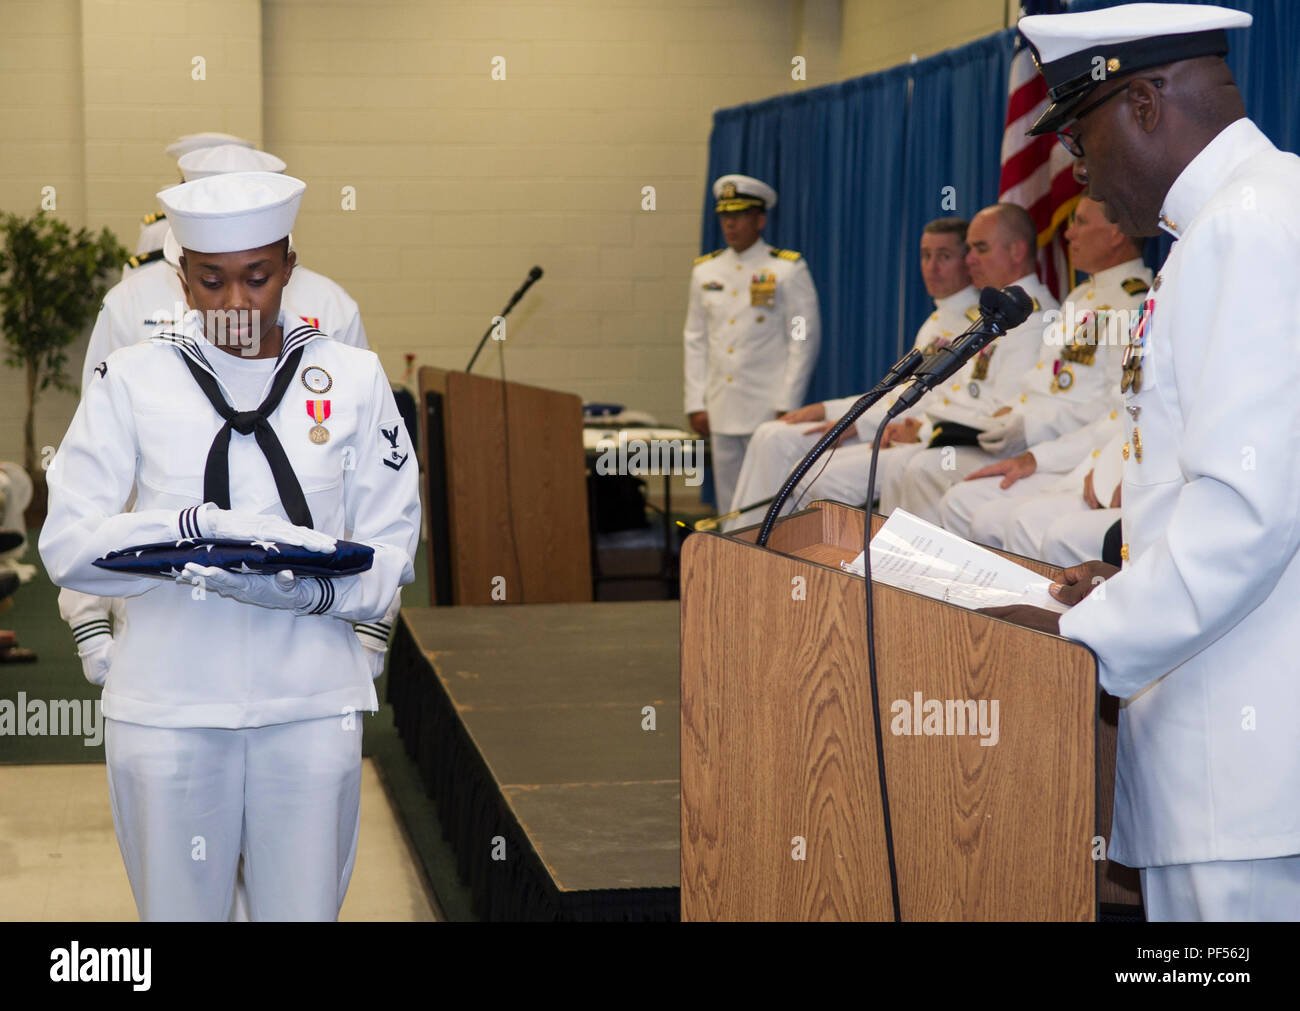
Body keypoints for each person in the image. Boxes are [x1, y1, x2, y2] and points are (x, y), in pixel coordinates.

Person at [983, 2, 1300, 921]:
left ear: (1148, 105)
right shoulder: (1255, 212)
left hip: (1238, 767)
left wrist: (1078, 636)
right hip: (1239, 748)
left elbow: (1249, 514)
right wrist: (1126, 572)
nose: (1081, 176)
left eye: (1082, 144)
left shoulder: (1245, 230)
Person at [39, 170, 421, 921]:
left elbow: (392, 547)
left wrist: (310, 586)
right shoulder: (133, 378)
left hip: (311, 701)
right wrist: (185, 534)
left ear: (288, 268)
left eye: (257, 278)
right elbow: (68, 543)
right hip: (170, 701)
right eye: (212, 281)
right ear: (183, 279)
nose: (236, 304)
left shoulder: (351, 378)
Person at [723, 217, 978, 530]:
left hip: (915, 437)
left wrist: (856, 424)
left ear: (967, 262)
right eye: (925, 255)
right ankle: (743, 541)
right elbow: (895, 393)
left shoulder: (971, 325)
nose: (932, 267)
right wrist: (827, 410)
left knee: (798, 461)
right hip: (890, 426)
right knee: (771, 433)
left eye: (944, 256)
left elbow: (933, 405)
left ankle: (760, 548)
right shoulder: (937, 319)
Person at [936, 196, 1150, 541]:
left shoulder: (1133, 304)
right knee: (960, 501)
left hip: (1077, 452)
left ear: (1115, 233)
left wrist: (1035, 444)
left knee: (991, 514)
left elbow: (1116, 411)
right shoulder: (1080, 297)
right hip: (1050, 444)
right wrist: (1015, 415)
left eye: (1079, 222)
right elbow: (1042, 382)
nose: (1068, 235)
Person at [875, 203, 1059, 521]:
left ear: (1017, 251)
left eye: (980, 249)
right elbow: (964, 392)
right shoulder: (995, 313)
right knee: (900, 465)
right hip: (970, 439)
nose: (969, 259)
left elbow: (999, 413)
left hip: (1006, 447)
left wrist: (924, 431)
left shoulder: (1034, 319)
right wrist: (920, 427)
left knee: (918, 467)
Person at [683, 174, 822, 512]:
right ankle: (733, 560)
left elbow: (802, 337)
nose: (730, 224)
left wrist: (788, 399)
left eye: (740, 215)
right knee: (729, 499)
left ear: (760, 219)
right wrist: (695, 401)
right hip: (721, 403)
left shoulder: (786, 268)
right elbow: (696, 339)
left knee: (766, 497)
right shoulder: (706, 271)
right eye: (724, 216)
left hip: (768, 403)